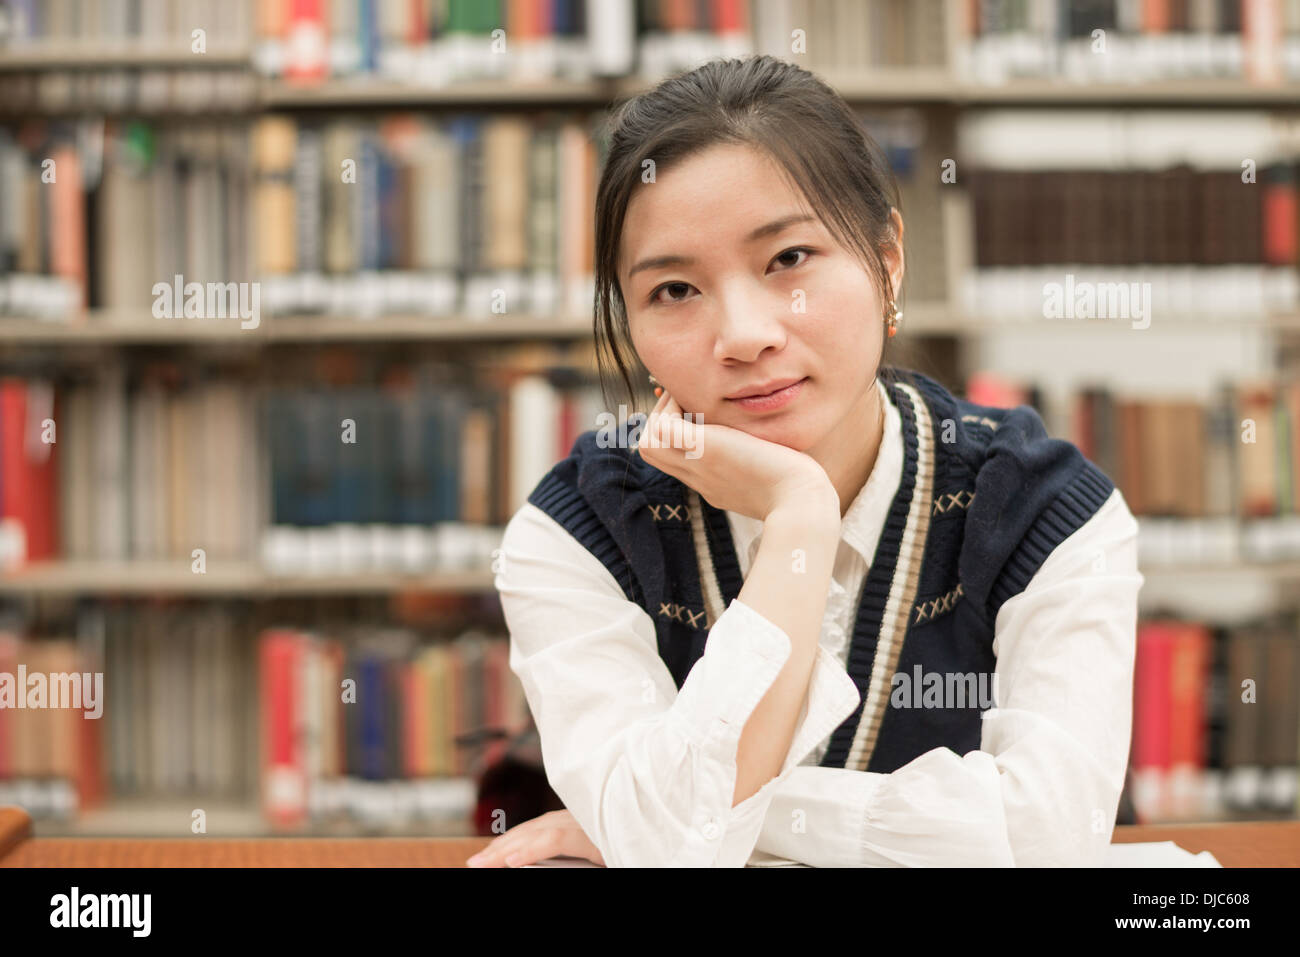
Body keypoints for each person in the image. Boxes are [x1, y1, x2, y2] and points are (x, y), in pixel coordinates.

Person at [466, 54, 1143, 868]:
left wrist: (686, 820)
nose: (745, 333)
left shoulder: (1044, 508)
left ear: (886, 258)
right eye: (675, 290)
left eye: (788, 259)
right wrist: (800, 517)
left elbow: (1045, 836)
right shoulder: (578, 531)